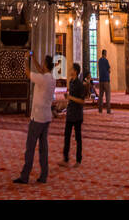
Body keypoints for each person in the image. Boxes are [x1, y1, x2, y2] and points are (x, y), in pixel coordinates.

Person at [13, 52, 55, 185]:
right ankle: (44, 175)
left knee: (30, 147)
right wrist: (34, 58)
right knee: (43, 148)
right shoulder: (51, 78)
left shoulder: (42, 79)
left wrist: (25, 59)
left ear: (46, 65)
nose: (41, 65)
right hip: (47, 117)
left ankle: (25, 176)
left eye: (43, 63)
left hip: (37, 117)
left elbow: (27, 72)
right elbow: (40, 71)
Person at [62, 61, 86, 165]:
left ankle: (78, 160)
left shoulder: (80, 85)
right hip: (70, 113)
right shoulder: (71, 82)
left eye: (71, 69)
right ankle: (65, 159)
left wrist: (70, 97)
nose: (69, 70)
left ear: (75, 71)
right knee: (67, 136)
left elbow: (82, 101)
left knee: (78, 138)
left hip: (77, 115)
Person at [97, 49, 111, 113]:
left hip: (100, 80)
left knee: (100, 95)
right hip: (106, 80)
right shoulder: (106, 60)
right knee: (107, 95)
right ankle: (108, 110)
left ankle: (100, 110)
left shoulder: (99, 61)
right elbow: (109, 69)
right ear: (105, 54)